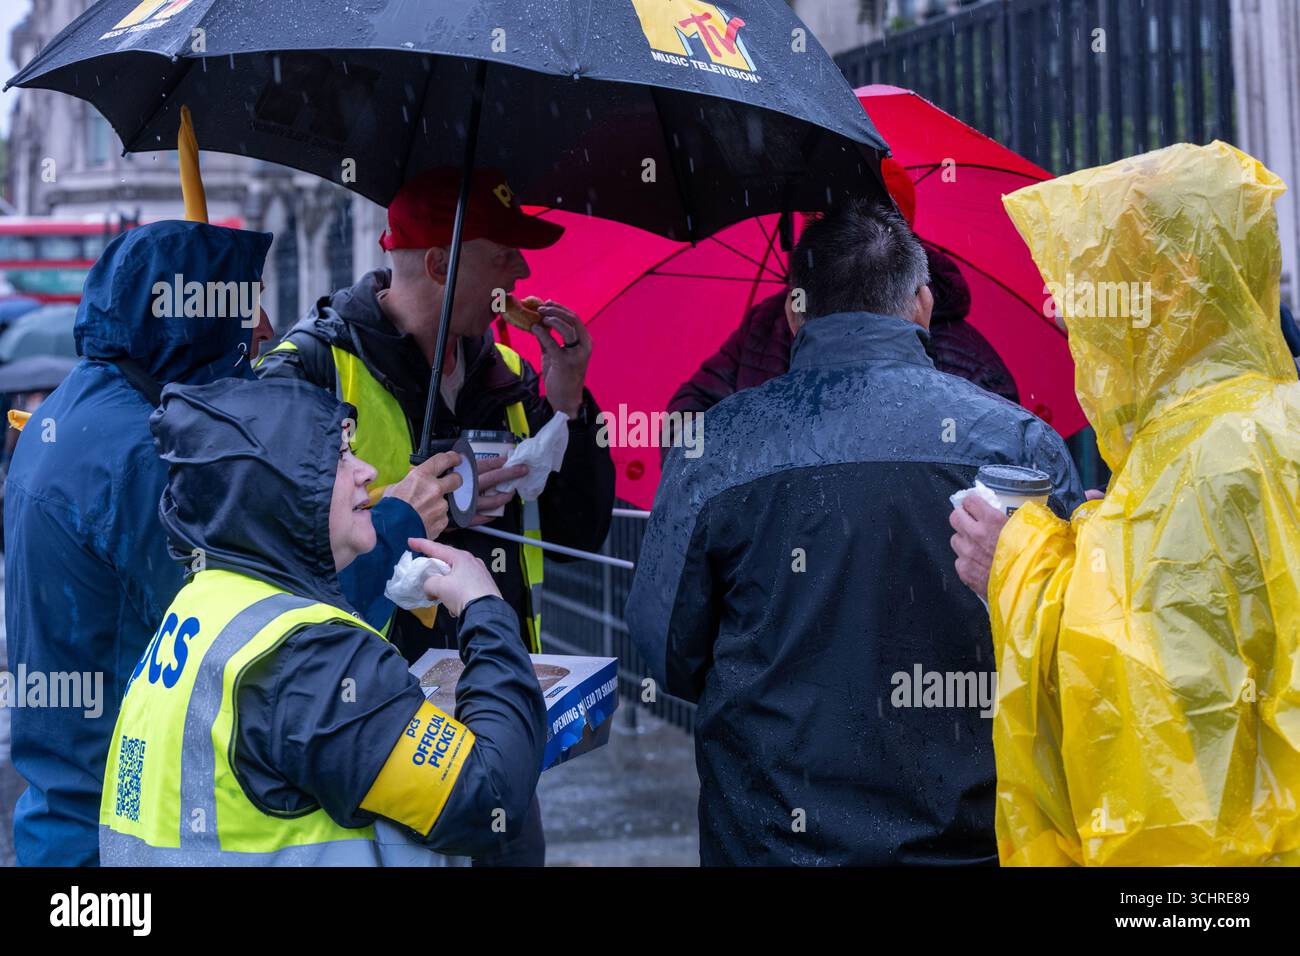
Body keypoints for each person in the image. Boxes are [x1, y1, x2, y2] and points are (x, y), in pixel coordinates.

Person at [626, 198, 1085, 866]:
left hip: (767, 841)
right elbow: (1070, 654)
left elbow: (666, 650)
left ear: (793, 312)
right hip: (972, 840)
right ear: (924, 302)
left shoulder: (717, 445)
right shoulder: (1017, 443)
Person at [5, 221, 460, 867]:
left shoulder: (80, 408)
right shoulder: (145, 453)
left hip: (72, 801)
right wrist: (389, 527)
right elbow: (252, 627)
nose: (265, 329)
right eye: (242, 306)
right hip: (118, 822)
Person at [949, 140, 1300, 866]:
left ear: (1167, 286)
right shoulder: (1259, 422)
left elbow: (1143, 709)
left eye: (1106, 277)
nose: (1081, 315)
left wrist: (1012, 562)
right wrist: (1105, 547)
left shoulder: (1205, 455)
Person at [99, 376, 545, 864]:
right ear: (278, 488)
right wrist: (485, 609)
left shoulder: (206, 601)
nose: (367, 472)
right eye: (338, 458)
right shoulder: (306, 653)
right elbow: (490, 798)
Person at [256, 167, 616, 664]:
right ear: (440, 266)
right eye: (503, 255)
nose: (523, 273)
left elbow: (575, 536)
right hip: (373, 710)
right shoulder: (308, 373)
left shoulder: (509, 373)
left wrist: (568, 405)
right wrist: (404, 510)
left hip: (496, 696)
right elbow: (269, 568)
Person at [664, 160, 1018, 441]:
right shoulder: (765, 325)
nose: (831, 239)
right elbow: (687, 421)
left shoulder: (968, 366)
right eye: (814, 220)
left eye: (849, 224)